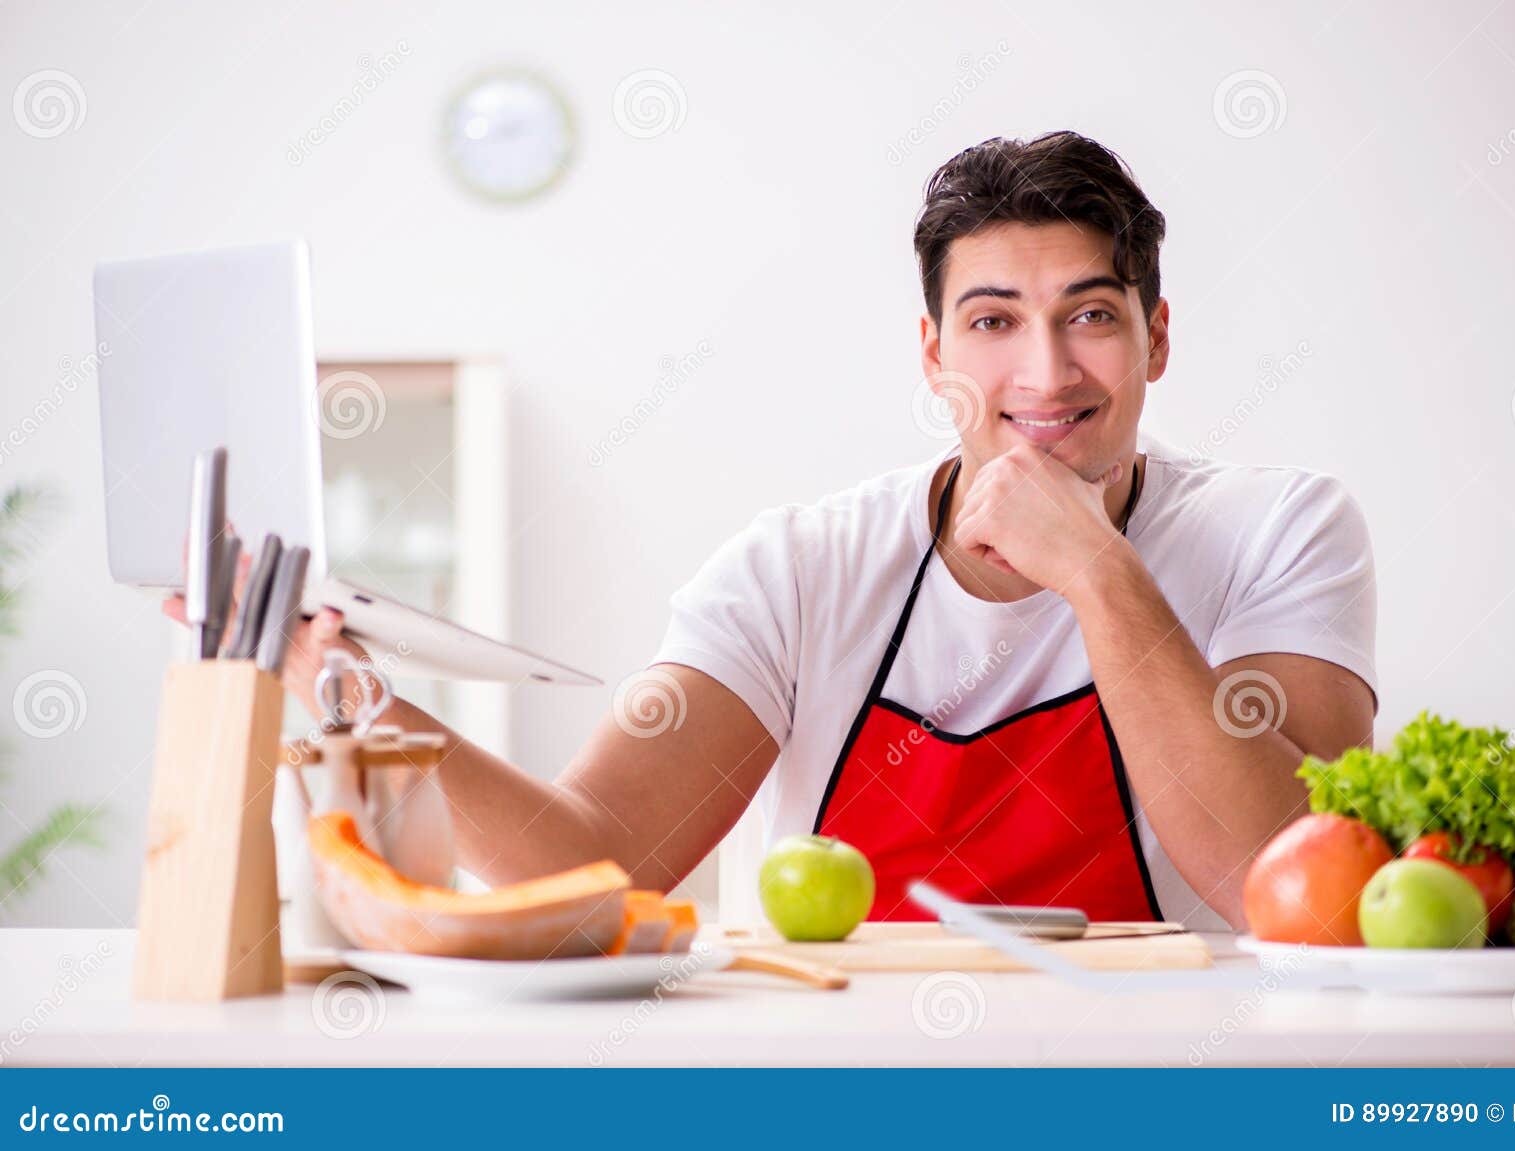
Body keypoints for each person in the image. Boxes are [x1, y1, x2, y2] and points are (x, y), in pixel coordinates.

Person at [180, 130, 1377, 932]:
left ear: (1155, 340)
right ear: (933, 354)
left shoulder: (1281, 529)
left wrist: (1096, 574)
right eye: (994, 320)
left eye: (1092, 316)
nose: (1045, 369)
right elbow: (596, 865)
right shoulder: (799, 568)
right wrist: (339, 685)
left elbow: (1280, 879)